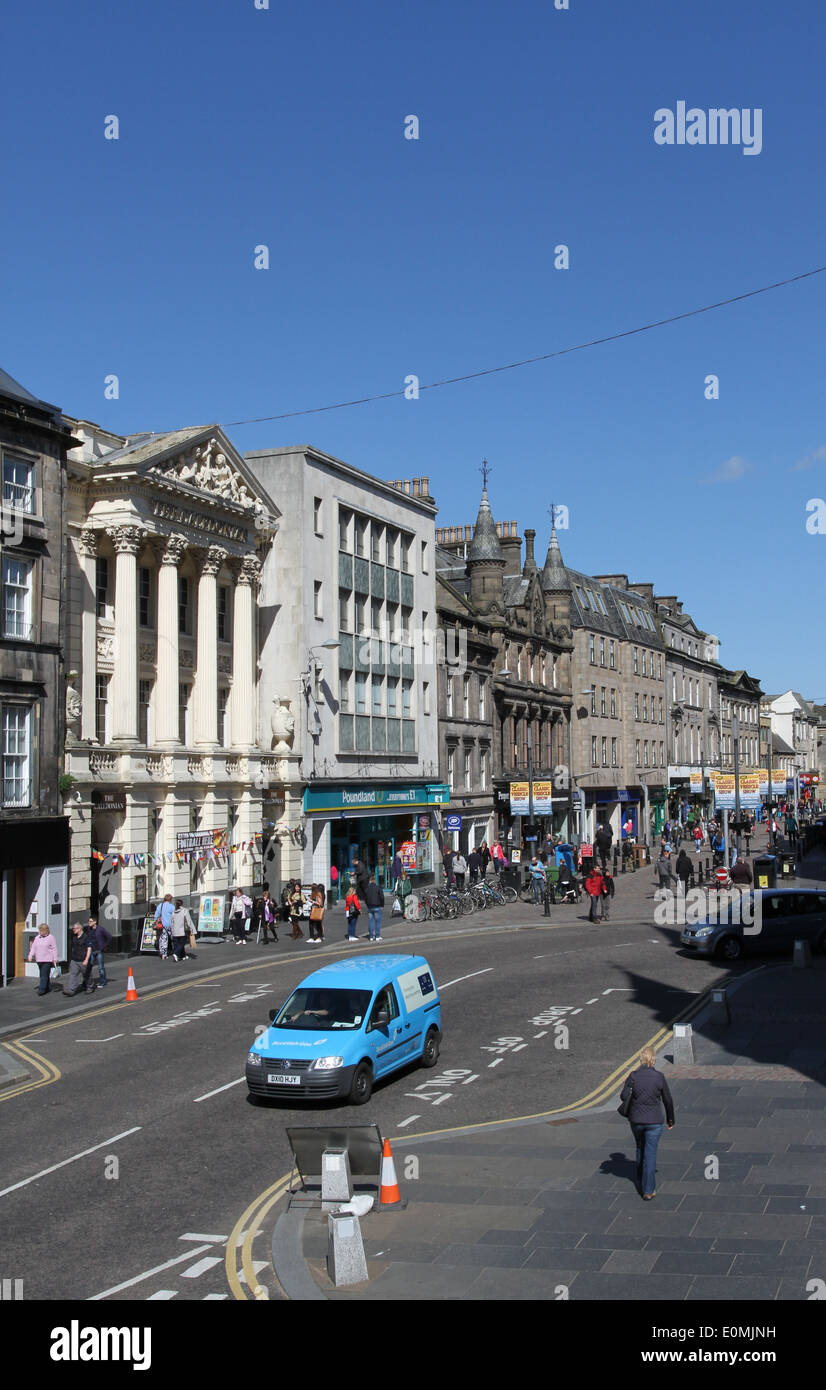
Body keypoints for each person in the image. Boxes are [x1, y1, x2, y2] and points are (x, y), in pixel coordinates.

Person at [619, 1047, 676, 1199]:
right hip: (655, 1121)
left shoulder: (633, 1076)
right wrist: (671, 1119)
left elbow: (623, 1096)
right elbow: (668, 1100)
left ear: (641, 1059)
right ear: (653, 1059)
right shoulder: (659, 1077)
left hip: (636, 1120)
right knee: (650, 1154)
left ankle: (639, 1175)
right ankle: (648, 1190)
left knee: (640, 1146)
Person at [28, 922, 59, 996]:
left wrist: (55, 958)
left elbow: (54, 948)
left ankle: (41, 989)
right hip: (39, 959)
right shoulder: (37, 938)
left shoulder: (51, 937)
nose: (40, 932)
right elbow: (34, 948)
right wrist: (30, 955)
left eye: (41, 930)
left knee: (44, 975)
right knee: (43, 974)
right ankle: (47, 987)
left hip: (47, 959)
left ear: (45, 931)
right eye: (39, 930)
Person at [65, 921, 93, 996]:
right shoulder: (74, 937)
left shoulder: (86, 937)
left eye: (75, 928)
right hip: (75, 959)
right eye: (73, 928)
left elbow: (89, 949)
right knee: (73, 974)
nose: (73, 930)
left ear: (80, 929)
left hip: (83, 960)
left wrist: (86, 959)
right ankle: (71, 990)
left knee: (86, 975)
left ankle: (89, 987)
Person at [85, 914, 112, 988]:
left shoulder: (100, 929)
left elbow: (109, 936)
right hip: (91, 951)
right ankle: (88, 982)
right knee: (89, 967)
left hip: (99, 950)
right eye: (88, 921)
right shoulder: (88, 929)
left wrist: (104, 946)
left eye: (90, 921)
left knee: (100, 967)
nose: (89, 923)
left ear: (95, 922)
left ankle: (103, 982)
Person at [365, 872, 384, 942]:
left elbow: (365, 898)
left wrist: (368, 905)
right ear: (375, 881)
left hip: (370, 907)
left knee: (371, 922)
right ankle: (377, 936)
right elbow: (382, 897)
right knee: (377, 922)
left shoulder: (367, 889)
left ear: (370, 881)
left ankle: (371, 937)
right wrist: (382, 905)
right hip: (377, 906)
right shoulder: (378, 887)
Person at [154, 893, 174, 959]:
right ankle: (174, 950)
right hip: (170, 925)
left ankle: (163, 954)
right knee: (172, 938)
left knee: (163, 939)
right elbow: (174, 915)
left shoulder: (160, 905)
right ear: (170, 899)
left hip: (162, 925)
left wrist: (155, 921)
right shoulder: (171, 906)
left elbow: (156, 915)